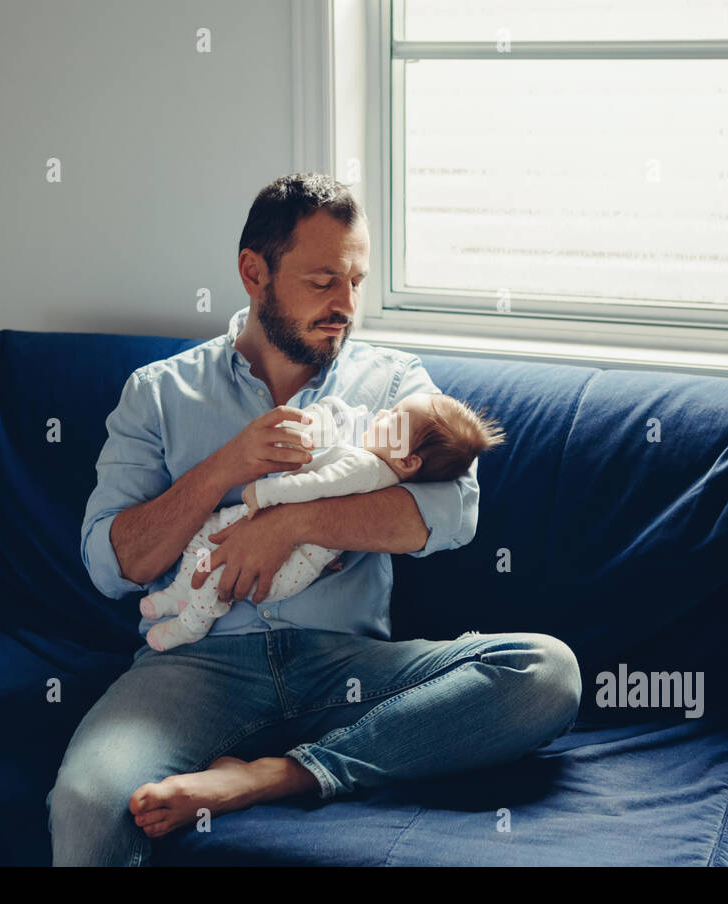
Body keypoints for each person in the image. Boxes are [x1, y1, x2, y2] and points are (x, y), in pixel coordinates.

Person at [48, 172, 581, 865]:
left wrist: (293, 524)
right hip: (197, 667)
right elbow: (111, 566)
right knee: (88, 802)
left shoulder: (392, 383)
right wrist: (224, 467)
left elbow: (453, 513)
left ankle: (279, 776)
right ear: (253, 273)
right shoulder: (158, 394)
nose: (346, 305)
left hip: (348, 668)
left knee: (547, 672)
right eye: (323, 280)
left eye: (357, 281)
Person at [139, 392, 506, 651]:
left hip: (292, 564)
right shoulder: (374, 460)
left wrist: (268, 497)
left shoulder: (365, 467)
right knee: (207, 537)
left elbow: (319, 483)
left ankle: (190, 624)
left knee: (219, 569)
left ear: (409, 462)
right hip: (289, 548)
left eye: (392, 420)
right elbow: (337, 424)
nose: (380, 416)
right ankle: (178, 594)